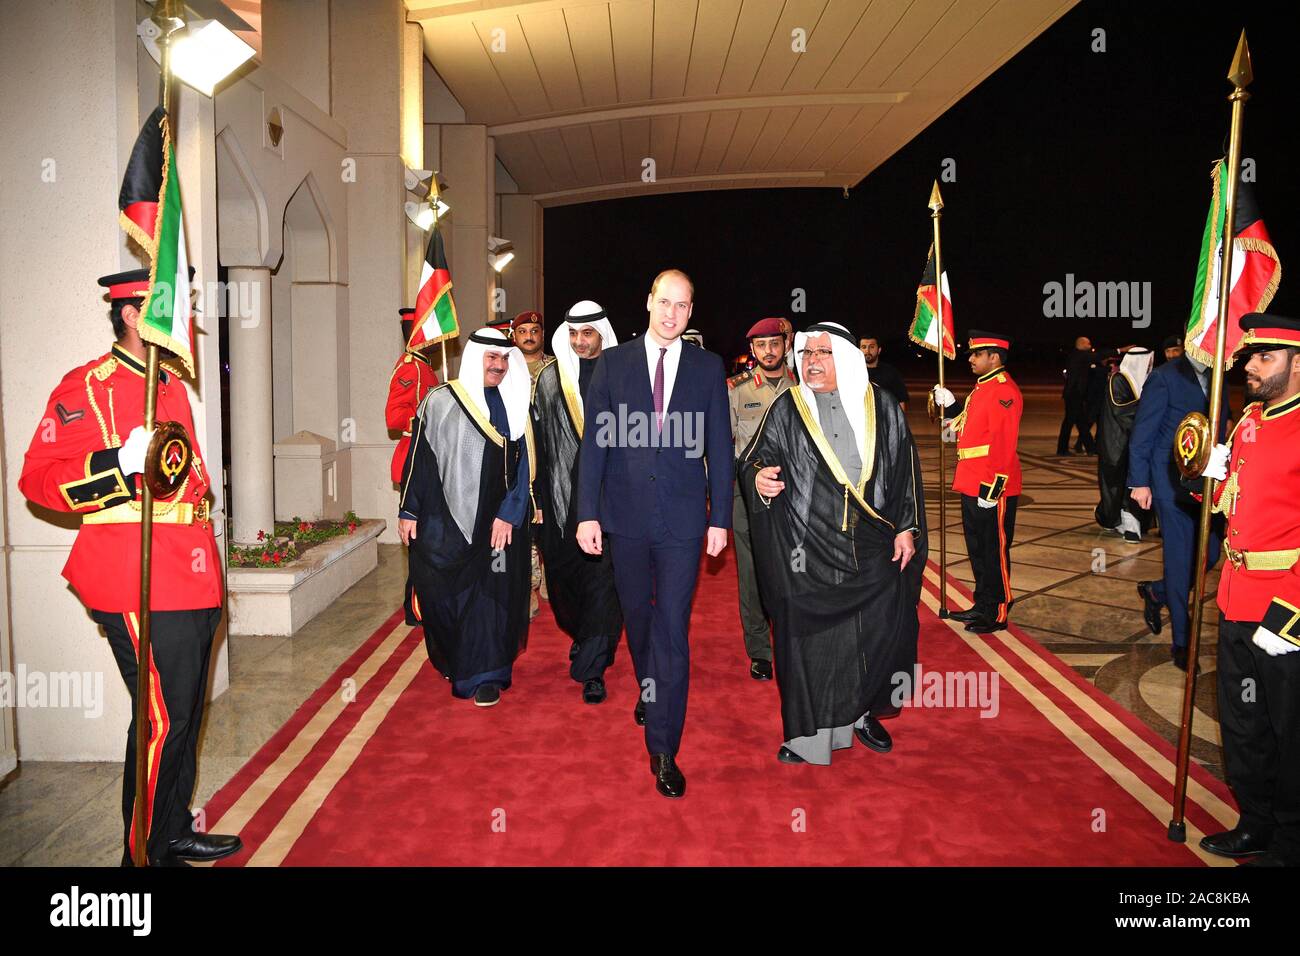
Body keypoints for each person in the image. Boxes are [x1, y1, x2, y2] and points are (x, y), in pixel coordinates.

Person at [19, 269, 241, 867]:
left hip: (190, 572)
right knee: (160, 720)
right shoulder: (86, 386)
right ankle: (139, 860)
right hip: (133, 576)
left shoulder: (167, 385)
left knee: (184, 713)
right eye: (169, 309)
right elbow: (37, 480)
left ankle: (169, 830)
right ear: (131, 315)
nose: (182, 322)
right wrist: (115, 460)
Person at [575, 269, 733, 799]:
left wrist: (720, 519)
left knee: (671, 626)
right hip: (624, 519)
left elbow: (720, 447)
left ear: (691, 312)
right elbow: (594, 445)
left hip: (684, 524)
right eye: (665, 302)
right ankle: (650, 687)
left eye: (682, 306)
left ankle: (664, 747)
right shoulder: (613, 364)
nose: (672, 314)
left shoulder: (708, 368)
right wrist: (586, 513)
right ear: (648, 302)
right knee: (638, 620)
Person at [741, 322, 925, 765]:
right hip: (809, 549)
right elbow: (753, 460)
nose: (812, 362)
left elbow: (905, 471)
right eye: (806, 354)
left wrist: (906, 527)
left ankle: (863, 714)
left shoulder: (881, 407)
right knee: (813, 640)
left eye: (822, 353)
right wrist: (759, 479)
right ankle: (809, 736)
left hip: (873, 547)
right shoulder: (788, 408)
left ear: (843, 357)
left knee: (874, 635)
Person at [1196, 312, 1300, 867]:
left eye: (1265, 357)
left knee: (1290, 735)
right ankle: (1255, 823)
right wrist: (1203, 475)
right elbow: (1229, 506)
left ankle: (1290, 842)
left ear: (1297, 362)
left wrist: (1292, 616)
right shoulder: (1249, 421)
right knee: (1243, 725)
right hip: (1236, 596)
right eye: (1250, 356)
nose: (1249, 367)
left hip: (1284, 613)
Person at [398, 327, 534, 707]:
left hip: (499, 521)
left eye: (506, 359)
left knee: (492, 595)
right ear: (476, 358)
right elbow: (420, 462)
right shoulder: (440, 401)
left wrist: (510, 512)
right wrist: (409, 509)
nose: (500, 366)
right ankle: (460, 661)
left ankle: (488, 673)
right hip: (446, 518)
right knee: (444, 594)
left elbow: (525, 467)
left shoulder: (515, 400)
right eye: (492, 358)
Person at [531, 301, 623, 704]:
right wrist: (534, 500)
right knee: (565, 584)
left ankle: (593, 667)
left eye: (588, 333)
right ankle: (583, 634)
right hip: (558, 503)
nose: (580, 341)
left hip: (612, 504)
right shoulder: (549, 380)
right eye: (573, 334)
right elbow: (535, 444)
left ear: (602, 333)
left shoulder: (622, 374)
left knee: (605, 584)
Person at [1128, 344, 1229, 670]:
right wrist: (1140, 482)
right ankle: (1183, 644)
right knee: (1179, 560)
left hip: (1207, 486)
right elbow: (1143, 432)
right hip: (1170, 484)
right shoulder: (1164, 378)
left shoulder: (1218, 377)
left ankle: (1156, 593)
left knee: (1211, 554)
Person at [932, 331, 1022, 633]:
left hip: (990, 486)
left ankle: (997, 611)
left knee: (994, 551)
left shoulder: (1004, 390)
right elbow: (968, 431)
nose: (970, 359)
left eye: (976, 354)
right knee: (978, 549)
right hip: (971, 482)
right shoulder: (981, 389)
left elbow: (1003, 444)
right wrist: (954, 405)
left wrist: (993, 489)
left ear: (993, 357)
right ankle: (982, 603)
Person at [728, 318, 797, 680]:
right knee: (752, 574)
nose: (768, 351)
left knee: (793, 570)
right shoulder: (736, 390)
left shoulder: (803, 386)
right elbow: (723, 446)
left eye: (774, 344)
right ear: (752, 350)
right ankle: (759, 650)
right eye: (760, 346)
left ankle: (793, 639)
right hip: (748, 495)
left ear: (785, 345)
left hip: (793, 496)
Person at [510, 310, 553, 619]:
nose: (529, 335)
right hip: (519, 456)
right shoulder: (504, 368)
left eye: (534, 330)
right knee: (523, 521)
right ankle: (528, 587)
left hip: (552, 455)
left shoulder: (556, 368)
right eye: (522, 330)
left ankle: (554, 580)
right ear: (515, 336)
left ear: (541, 334)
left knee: (551, 519)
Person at [1095, 346, 1154, 542]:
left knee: (1134, 483)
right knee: (1116, 484)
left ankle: (1132, 522)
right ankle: (1120, 521)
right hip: (1116, 444)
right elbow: (1121, 410)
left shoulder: (1144, 382)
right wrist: (1150, 411)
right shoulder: (1119, 380)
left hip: (1133, 443)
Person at [385, 307, 441, 484]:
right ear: (419, 335)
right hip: (414, 456)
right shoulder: (411, 368)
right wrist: (427, 421)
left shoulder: (424, 366)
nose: (440, 337)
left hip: (426, 454)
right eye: (434, 331)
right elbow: (394, 418)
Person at [1057, 336, 1097, 455]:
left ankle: (1090, 448)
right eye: (1088, 344)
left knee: (1080, 422)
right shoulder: (1080, 355)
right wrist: (1119, 350)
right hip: (1074, 394)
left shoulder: (1077, 355)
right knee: (1070, 422)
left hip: (1075, 394)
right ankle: (1062, 449)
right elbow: (1097, 356)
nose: (1090, 346)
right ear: (1082, 345)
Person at [858, 334, 909, 410]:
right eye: (864, 347)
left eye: (872, 347)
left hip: (885, 419)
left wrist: (899, 421)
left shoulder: (891, 373)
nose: (867, 351)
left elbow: (901, 402)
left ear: (879, 350)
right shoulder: (852, 372)